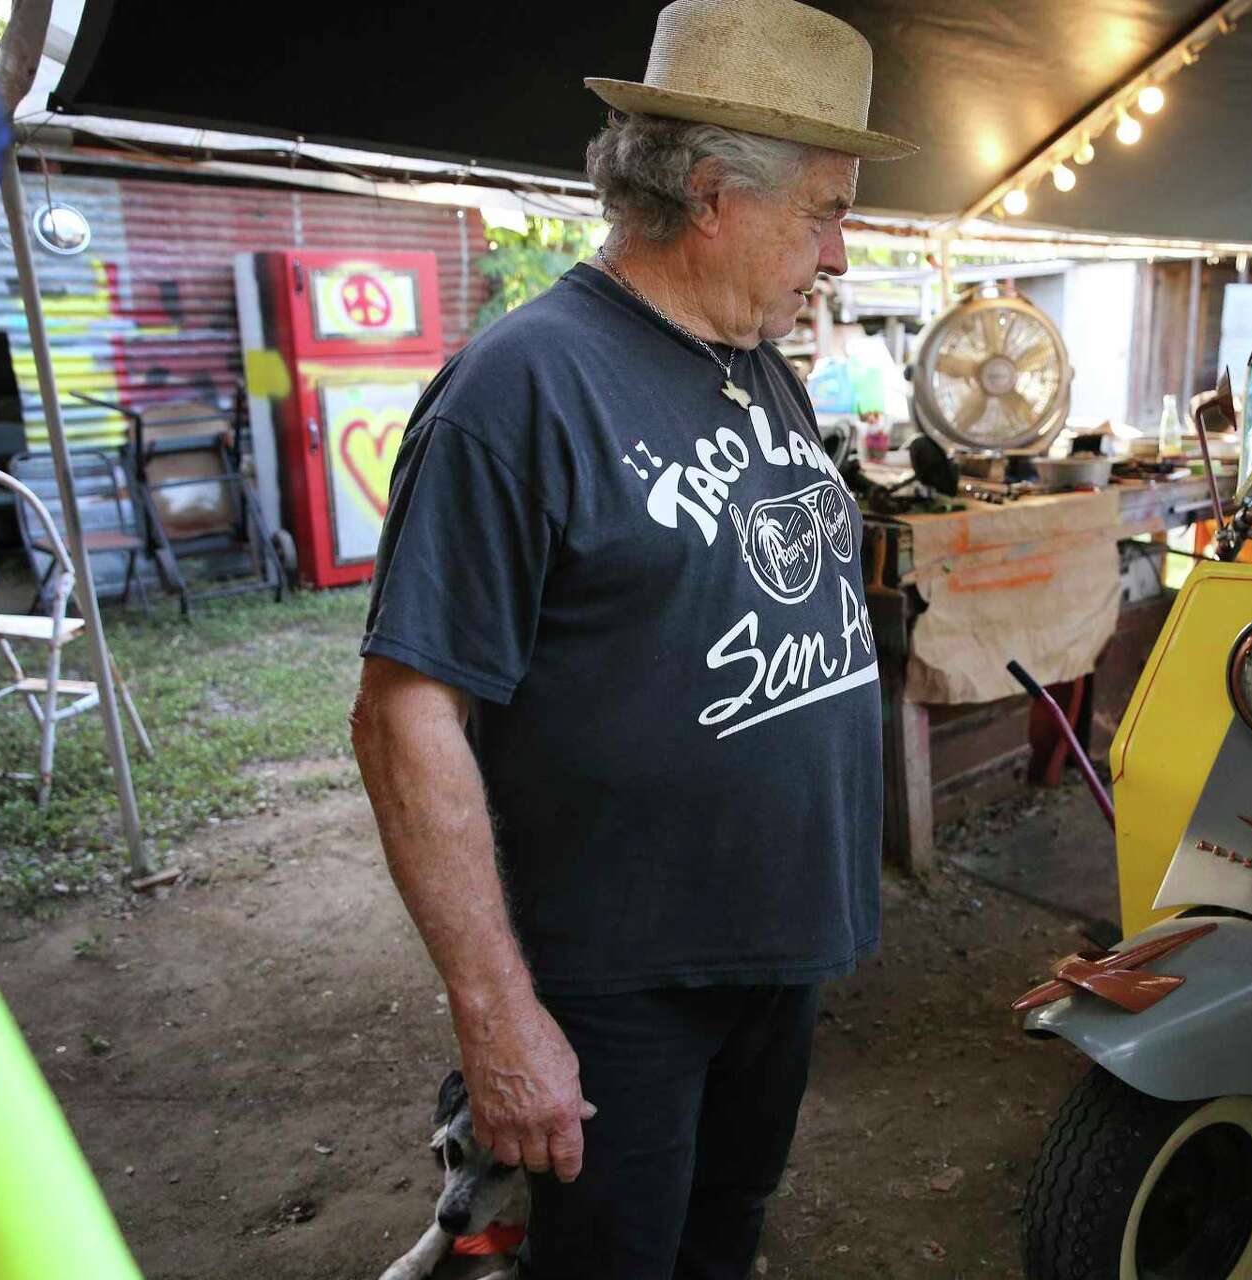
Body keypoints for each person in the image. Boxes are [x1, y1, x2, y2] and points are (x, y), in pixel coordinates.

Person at [348, 2, 915, 1275]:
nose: (839, 252)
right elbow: (403, 715)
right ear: (711, 194)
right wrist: (498, 1015)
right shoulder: (522, 387)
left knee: (725, 1235)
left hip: (771, 951)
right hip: (622, 983)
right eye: (825, 211)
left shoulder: (755, 357)